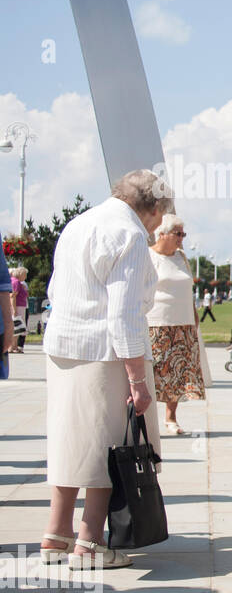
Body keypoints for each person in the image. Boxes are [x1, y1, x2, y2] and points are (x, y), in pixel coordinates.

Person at [41, 170, 173, 570]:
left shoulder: (79, 223)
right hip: (105, 351)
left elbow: (54, 290)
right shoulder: (129, 234)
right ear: (151, 208)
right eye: (160, 217)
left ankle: (57, 533)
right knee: (109, 446)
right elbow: (125, 313)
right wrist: (137, 379)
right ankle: (90, 543)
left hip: (64, 345)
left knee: (70, 439)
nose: (158, 227)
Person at [146, 214, 205, 435]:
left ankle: (171, 418)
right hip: (156, 321)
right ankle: (146, 416)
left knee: (178, 370)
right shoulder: (148, 256)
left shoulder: (181, 257)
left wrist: (194, 313)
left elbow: (187, 288)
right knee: (155, 369)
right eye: (177, 233)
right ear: (161, 234)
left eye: (183, 234)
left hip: (183, 322)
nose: (182, 238)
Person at [10, 265, 29, 353]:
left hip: (18, 306)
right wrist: (14, 310)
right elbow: (12, 296)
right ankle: (12, 346)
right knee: (17, 327)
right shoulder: (16, 282)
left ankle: (14, 346)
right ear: (20, 274)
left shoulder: (15, 281)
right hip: (18, 307)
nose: (25, 277)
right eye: (24, 275)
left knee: (17, 327)